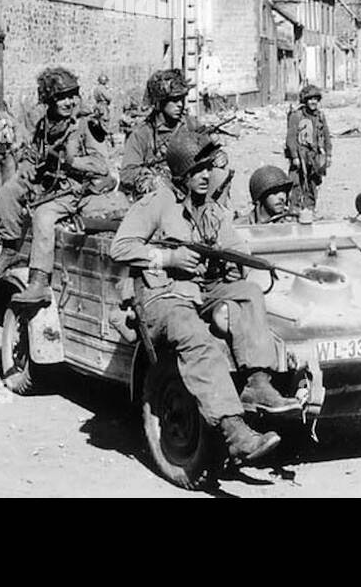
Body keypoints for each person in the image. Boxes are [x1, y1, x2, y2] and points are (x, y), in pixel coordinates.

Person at [110, 131, 298, 465]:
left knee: (249, 292)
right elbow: (120, 247)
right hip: (161, 297)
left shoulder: (210, 209)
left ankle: (257, 382)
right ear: (181, 174)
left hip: (199, 291)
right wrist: (169, 259)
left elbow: (238, 247)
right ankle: (234, 431)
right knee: (197, 338)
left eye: (209, 169)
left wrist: (230, 259)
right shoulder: (157, 202)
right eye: (198, 170)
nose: (206, 176)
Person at [0, 67, 114, 302]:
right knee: (6, 192)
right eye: (60, 97)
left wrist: (73, 162)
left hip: (72, 190)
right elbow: (34, 155)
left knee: (43, 216)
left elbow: (101, 166)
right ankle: (10, 248)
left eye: (71, 96)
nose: (67, 102)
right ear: (49, 101)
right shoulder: (45, 125)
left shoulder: (84, 125)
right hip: (45, 185)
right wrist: (25, 166)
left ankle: (39, 281)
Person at [119, 69, 192, 200]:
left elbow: (207, 149)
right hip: (156, 196)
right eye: (174, 100)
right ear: (160, 102)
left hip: (186, 185)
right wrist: (152, 180)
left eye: (182, 99)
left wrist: (218, 156)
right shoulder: (142, 133)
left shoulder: (189, 124)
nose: (180, 105)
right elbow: (127, 173)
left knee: (219, 174)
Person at [284, 83, 331, 212]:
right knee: (296, 183)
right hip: (299, 156)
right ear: (305, 101)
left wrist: (329, 155)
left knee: (313, 184)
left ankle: (310, 208)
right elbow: (291, 138)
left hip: (314, 157)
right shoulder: (296, 116)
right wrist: (294, 156)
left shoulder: (320, 116)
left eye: (316, 99)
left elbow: (326, 136)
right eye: (310, 99)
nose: (313, 102)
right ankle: (294, 209)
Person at [90, 74, 113, 143]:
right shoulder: (102, 88)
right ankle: (107, 141)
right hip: (103, 106)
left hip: (97, 106)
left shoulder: (96, 89)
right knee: (105, 123)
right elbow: (109, 97)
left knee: (99, 123)